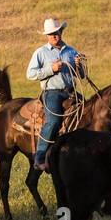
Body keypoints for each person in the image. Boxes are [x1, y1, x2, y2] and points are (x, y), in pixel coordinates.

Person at [27, 17, 80, 172]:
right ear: (47, 36)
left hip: (70, 92)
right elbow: (30, 74)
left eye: (56, 33)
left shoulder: (71, 51)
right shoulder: (41, 53)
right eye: (51, 34)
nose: (54, 36)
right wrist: (51, 69)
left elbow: (80, 75)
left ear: (61, 31)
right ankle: (40, 157)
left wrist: (79, 67)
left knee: (89, 109)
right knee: (54, 119)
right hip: (52, 92)